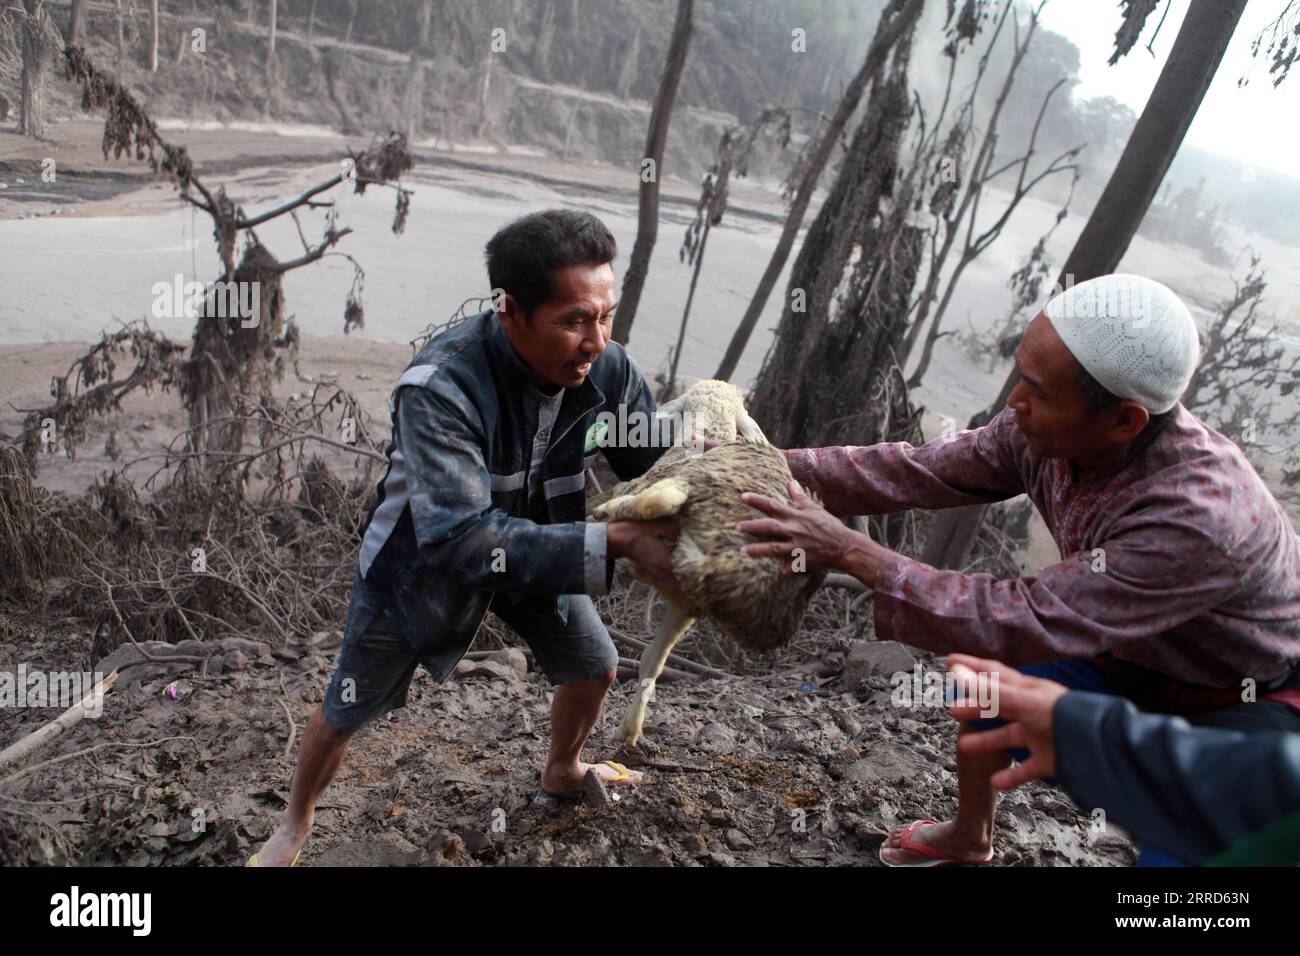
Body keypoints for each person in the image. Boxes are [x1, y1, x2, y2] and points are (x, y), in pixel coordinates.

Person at [735, 273, 1300, 866]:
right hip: (1122, 657)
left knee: (1188, 867)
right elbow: (918, 469)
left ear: (1125, 421)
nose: (1014, 402)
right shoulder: (1040, 429)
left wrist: (850, 551)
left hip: (1236, 706)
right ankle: (970, 836)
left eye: (1038, 389)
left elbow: (1023, 616)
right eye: (1021, 375)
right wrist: (762, 467)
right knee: (984, 684)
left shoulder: (1197, 520)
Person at [248, 209, 677, 867]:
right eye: (573, 321)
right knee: (350, 704)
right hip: (425, 564)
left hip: (541, 545)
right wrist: (614, 542)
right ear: (510, 310)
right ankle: (296, 823)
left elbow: (652, 465)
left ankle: (562, 769)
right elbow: (461, 539)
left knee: (594, 664)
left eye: (606, 317)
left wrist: (718, 461)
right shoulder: (441, 386)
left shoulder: (608, 372)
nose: (596, 341)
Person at [946, 653, 1300, 866]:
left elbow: (1271, 787)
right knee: (981, 691)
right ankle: (971, 836)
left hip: (1257, 705)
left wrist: (1080, 731)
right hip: (1140, 672)